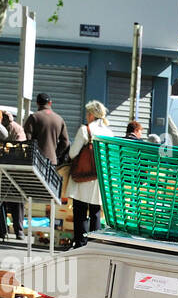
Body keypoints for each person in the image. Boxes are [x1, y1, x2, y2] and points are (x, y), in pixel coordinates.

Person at [68, 100, 112, 247]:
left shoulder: (85, 130)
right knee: (95, 212)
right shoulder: (109, 132)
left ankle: (80, 243)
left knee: (80, 210)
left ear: (92, 115)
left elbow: (73, 153)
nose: (86, 116)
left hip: (83, 177)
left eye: (88, 113)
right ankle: (94, 244)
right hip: (100, 178)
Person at [1, 109, 26, 238]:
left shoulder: (14, 128)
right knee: (15, 200)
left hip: (14, 168)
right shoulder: (15, 128)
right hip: (12, 168)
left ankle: (16, 230)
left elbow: (20, 147)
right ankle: (15, 231)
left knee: (15, 199)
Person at [24, 93, 69, 166]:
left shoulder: (34, 117)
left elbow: (27, 138)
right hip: (51, 161)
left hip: (35, 161)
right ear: (50, 103)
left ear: (37, 103)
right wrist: (55, 153)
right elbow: (65, 142)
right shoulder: (59, 119)